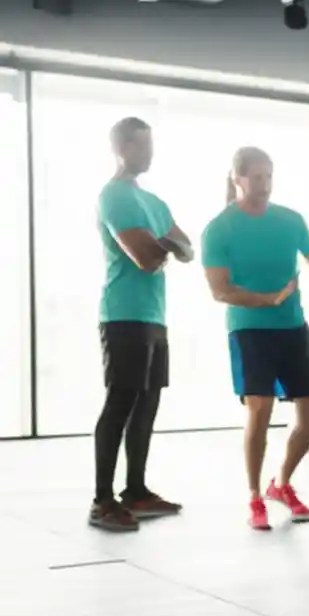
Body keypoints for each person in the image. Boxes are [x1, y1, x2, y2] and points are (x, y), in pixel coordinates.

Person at [202, 147, 309, 530]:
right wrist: (267, 300)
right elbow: (220, 290)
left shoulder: (290, 221)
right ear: (237, 179)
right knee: (259, 409)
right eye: (256, 177)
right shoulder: (219, 228)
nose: (263, 185)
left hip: (292, 327)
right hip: (248, 328)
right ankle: (254, 498)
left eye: (268, 176)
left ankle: (281, 484)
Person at [90, 117, 190, 533]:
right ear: (122, 148)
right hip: (123, 314)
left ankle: (135, 491)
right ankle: (102, 500)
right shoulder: (113, 196)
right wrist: (162, 245)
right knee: (121, 402)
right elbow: (146, 258)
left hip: (154, 315)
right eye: (143, 146)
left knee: (148, 403)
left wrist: (162, 244)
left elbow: (186, 249)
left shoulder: (155, 202)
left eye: (152, 145)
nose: (150, 154)